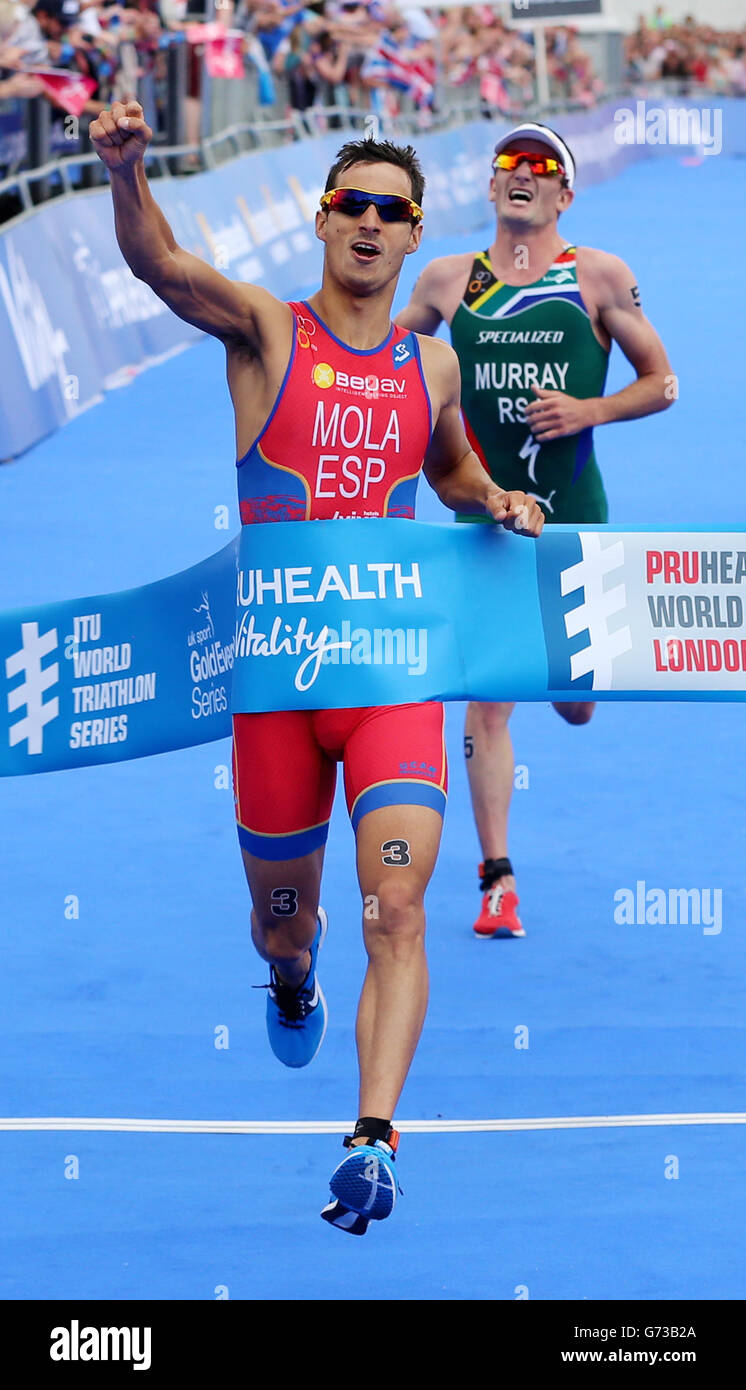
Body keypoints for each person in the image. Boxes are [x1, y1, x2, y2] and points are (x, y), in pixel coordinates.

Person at [90, 105, 545, 1233]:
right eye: (353, 204)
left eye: (393, 211)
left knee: (397, 905)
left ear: (409, 236)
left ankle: (374, 1139)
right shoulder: (263, 332)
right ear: (323, 219)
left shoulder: (430, 365)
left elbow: (449, 472)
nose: (371, 224)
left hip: (390, 679)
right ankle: (292, 978)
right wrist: (127, 168)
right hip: (277, 694)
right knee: (284, 922)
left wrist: (491, 497)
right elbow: (158, 266)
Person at [396, 121, 674, 940]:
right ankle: (497, 879)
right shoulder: (449, 280)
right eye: (508, 164)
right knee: (486, 707)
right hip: (482, 525)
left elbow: (663, 383)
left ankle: (568, 688)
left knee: (578, 702)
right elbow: (383, 355)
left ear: (564, 192)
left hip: (576, 524)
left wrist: (590, 409)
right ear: (490, 188)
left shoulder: (599, 276)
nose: (522, 173)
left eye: (541, 165)